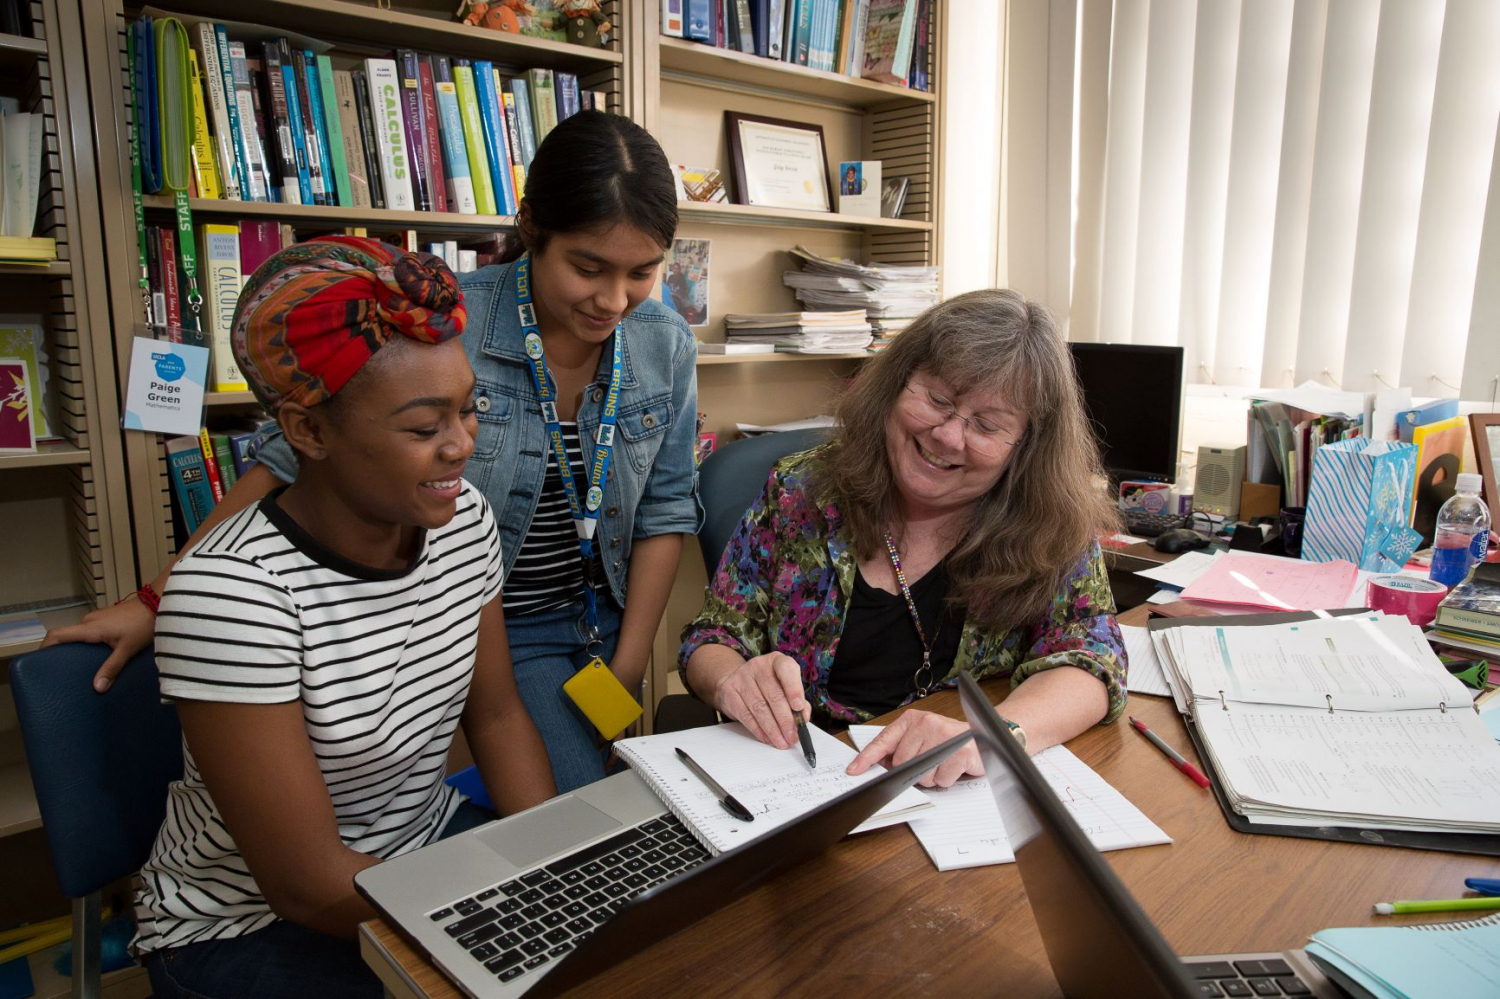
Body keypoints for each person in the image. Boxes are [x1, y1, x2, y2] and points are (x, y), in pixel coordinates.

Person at [45, 110, 700, 793]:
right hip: (497, 622)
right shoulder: (443, 324)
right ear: (532, 226)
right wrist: (157, 598)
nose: (613, 299)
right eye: (588, 267)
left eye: (641, 273)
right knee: (581, 820)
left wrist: (626, 669)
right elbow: (286, 465)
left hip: (603, 620)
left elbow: (664, 509)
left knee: (625, 814)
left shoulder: (665, 343)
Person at [132, 237, 557, 999]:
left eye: (468, 410)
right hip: (247, 922)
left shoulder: (464, 524)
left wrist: (554, 873)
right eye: (425, 428)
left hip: (416, 853)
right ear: (310, 432)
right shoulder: (230, 595)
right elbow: (305, 885)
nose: (461, 447)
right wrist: (512, 921)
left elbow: (495, 717)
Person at [680, 289, 1126, 787]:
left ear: (1026, 446)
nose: (948, 436)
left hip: (952, 794)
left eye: (987, 425)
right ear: (896, 385)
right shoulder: (798, 493)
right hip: (800, 780)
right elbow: (712, 635)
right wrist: (730, 680)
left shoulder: (1049, 521)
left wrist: (992, 735)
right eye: (938, 400)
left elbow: (1092, 657)